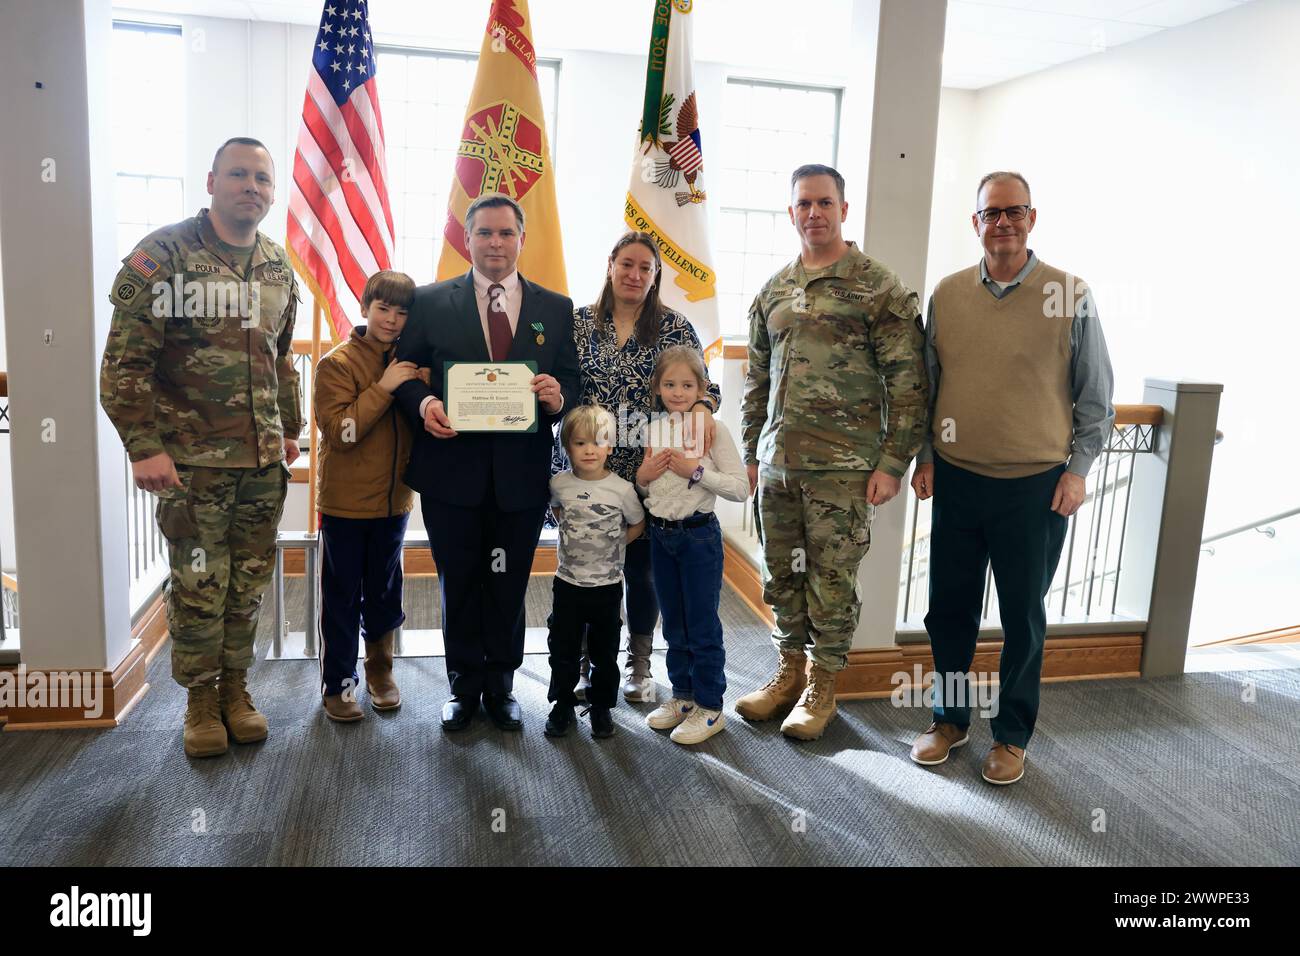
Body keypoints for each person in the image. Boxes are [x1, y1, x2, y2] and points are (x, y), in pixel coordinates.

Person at [909, 171, 1115, 785]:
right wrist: (926, 455)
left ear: (1032, 218)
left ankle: (1012, 735)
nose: (1003, 222)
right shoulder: (946, 295)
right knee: (949, 610)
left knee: (1022, 614)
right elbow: (926, 386)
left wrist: (1077, 473)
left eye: (1014, 212)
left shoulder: (1069, 294)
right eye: (991, 213)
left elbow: (1096, 397)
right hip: (958, 479)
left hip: (1036, 486)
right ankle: (949, 720)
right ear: (975, 223)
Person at [99, 136, 301, 758]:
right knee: (197, 582)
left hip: (263, 465)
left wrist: (289, 429)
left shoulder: (276, 264)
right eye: (239, 175)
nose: (252, 187)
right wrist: (143, 448)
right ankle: (200, 701)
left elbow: (282, 360)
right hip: (191, 466)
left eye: (263, 179)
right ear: (211, 181)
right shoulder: (163, 256)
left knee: (247, 582)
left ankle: (237, 690)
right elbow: (125, 365)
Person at [737, 164, 928, 741]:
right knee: (781, 577)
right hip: (778, 466)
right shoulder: (774, 289)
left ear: (844, 209)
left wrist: (894, 462)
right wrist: (750, 452)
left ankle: (823, 686)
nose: (814, 213)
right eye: (803, 204)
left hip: (843, 470)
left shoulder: (878, 286)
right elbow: (756, 379)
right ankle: (788, 673)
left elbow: (908, 382)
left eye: (824, 202)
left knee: (833, 580)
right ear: (791, 212)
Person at [393, 192, 580, 734]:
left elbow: (570, 381)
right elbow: (404, 371)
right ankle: (463, 684)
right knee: (459, 578)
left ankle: (501, 683)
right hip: (451, 473)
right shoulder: (429, 302)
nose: (495, 243)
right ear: (467, 239)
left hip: (520, 476)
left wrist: (555, 397)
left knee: (507, 579)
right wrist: (424, 405)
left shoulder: (555, 307)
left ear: (522, 239)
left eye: (505, 233)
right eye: (484, 233)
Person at [553, 231, 721, 704]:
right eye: (627, 264)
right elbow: (560, 389)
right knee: (588, 566)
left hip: (652, 469)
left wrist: (705, 406)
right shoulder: (579, 324)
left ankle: (639, 662)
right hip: (589, 467)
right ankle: (587, 662)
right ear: (610, 265)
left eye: (645, 268)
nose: (634, 274)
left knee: (642, 572)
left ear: (655, 276)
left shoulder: (674, 328)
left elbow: (703, 385)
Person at [313, 270, 420, 722]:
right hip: (345, 504)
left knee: (384, 590)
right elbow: (342, 432)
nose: (392, 320)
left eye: (401, 312)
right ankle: (338, 682)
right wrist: (385, 387)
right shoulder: (337, 364)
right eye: (383, 309)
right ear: (364, 308)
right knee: (342, 594)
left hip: (394, 502)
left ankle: (380, 672)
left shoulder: (413, 362)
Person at [638, 346, 748, 745]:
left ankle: (710, 704)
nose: (678, 392)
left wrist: (695, 470)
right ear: (657, 388)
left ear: (702, 388)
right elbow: (648, 487)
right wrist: (643, 476)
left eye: (687, 384)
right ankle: (683, 696)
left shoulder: (713, 430)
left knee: (702, 624)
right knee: (673, 621)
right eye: (670, 384)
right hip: (661, 536)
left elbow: (741, 488)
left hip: (698, 537)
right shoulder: (652, 429)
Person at [544, 405, 645, 739]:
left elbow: (637, 523)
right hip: (568, 583)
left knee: (605, 652)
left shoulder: (622, 490)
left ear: (610, 446)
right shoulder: (559, 484)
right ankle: (561, 705)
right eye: (580, 443)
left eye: (598, 442)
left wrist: (613, 547)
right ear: (567, 447)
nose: (589, 450)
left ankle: (601, 708)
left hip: (607, 585)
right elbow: (558, 512)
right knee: (563, 649)